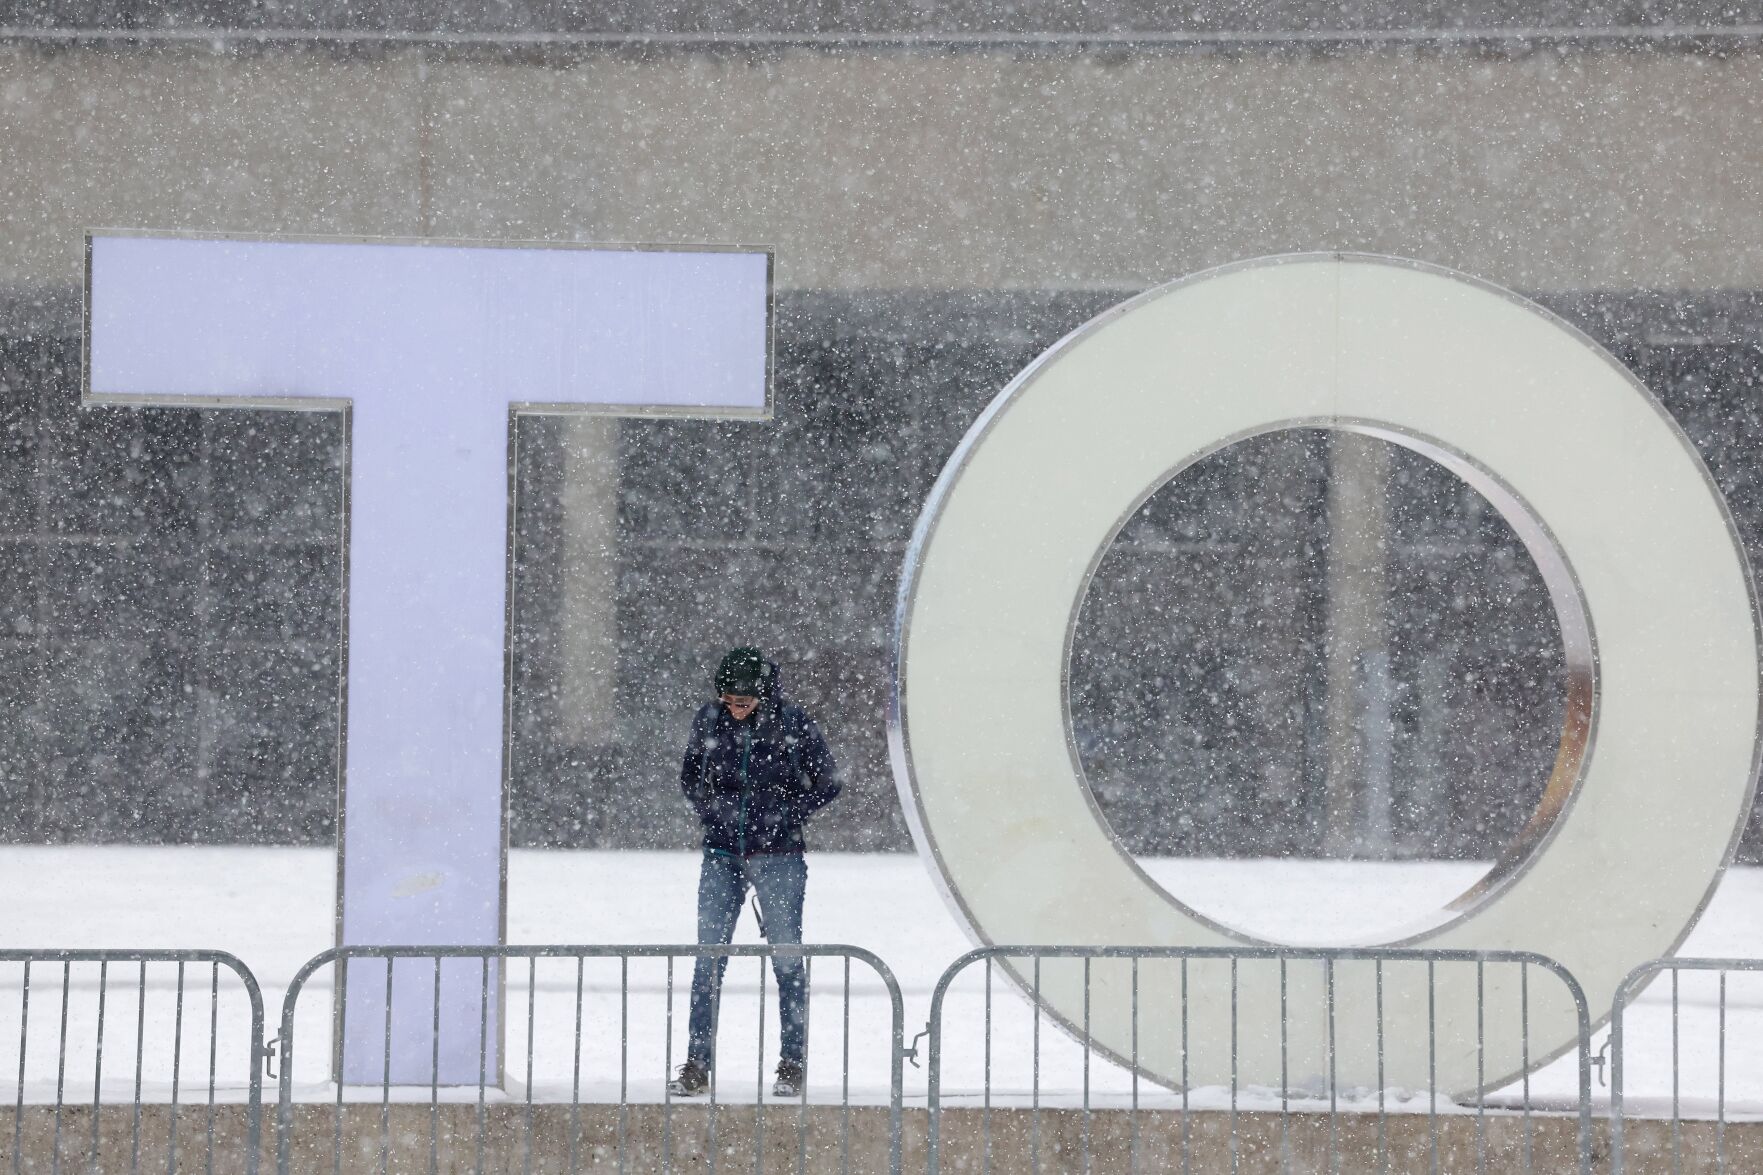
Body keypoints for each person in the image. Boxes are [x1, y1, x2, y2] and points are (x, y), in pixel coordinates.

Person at [669, 647, 842, 1100]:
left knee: (787, 959)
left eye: (743, 700)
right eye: (728, 699)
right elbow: (689, 777)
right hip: (722, 852)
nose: (735, 708)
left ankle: (791, 1062)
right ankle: (697, 1063)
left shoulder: (793, 724)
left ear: (763, 694)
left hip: (780, 855)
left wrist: (787, 814)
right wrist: (710, 811)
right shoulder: (709, 721)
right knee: (708, 959)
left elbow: (828, 781)